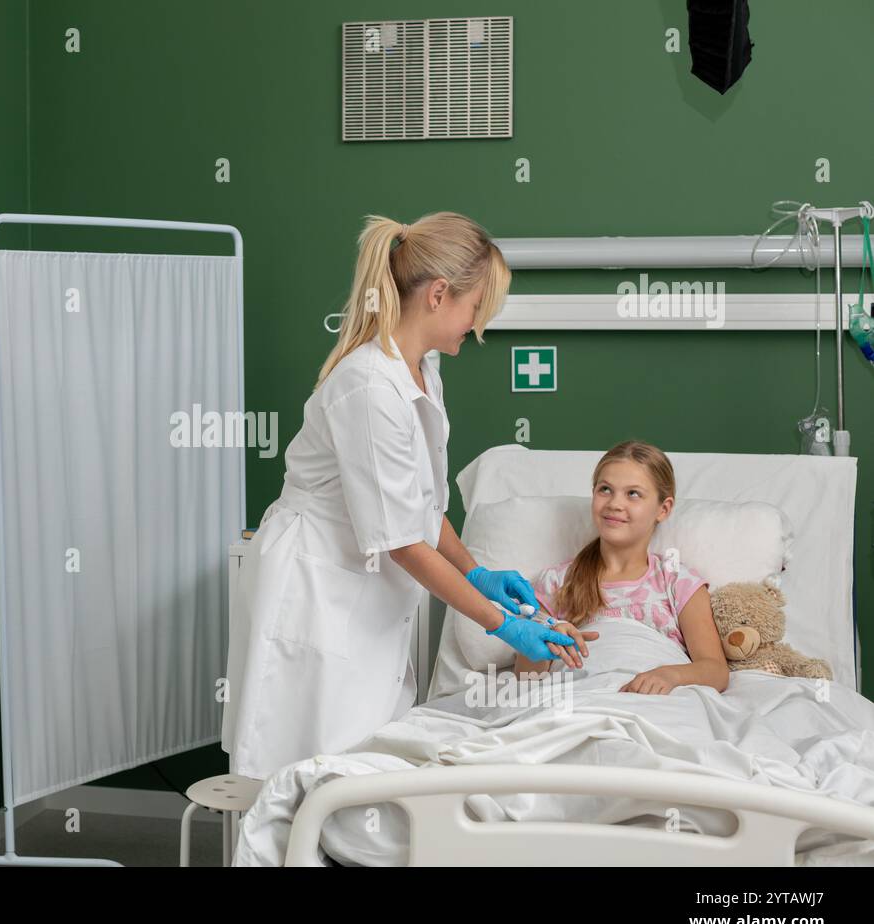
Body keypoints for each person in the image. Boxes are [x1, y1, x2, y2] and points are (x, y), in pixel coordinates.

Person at [222, 212, 581, 781]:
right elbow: (402, 542)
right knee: (308, 771)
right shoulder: (368, 387)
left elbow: (423, 507)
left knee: (359, 767)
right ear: (439, 295)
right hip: (317, 592)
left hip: (366, 598)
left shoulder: (422, 372)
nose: (480, 325)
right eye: (476, 307)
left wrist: (477, 570)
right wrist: (498, 623)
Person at [513, 440, 729, 694]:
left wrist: (670, 675)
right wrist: (543, 641)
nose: (615, 503)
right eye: (605, 489)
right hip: (581, 696)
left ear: (663, 508)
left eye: (633, 494)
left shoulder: (677, 582)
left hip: (655, 701)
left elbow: (715, 671)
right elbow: (525, 680)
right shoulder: (557, 583)